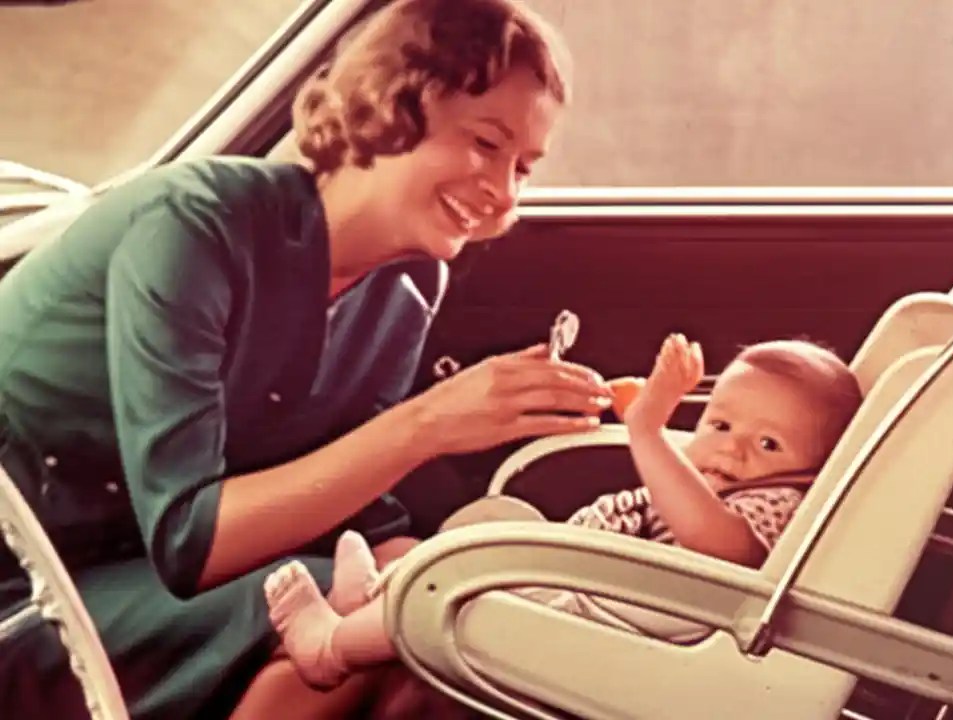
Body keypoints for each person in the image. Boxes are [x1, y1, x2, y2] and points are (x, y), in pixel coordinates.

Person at [0, 1, 604, 718]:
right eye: (484, 144)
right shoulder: (192, 225)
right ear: (392, 105)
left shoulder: (408, 281)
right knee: (354, 635)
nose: (503, 193)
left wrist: (452, 567)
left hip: (149, 577)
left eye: (525, 168)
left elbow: (344, 491)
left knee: (436, 631)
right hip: (35, 585)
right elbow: (191, 540)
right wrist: (433, 422)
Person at [261, 334, 864, 690]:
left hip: (630, 615)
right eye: (721, 424)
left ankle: (333, 648)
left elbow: (720, 548)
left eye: (768, 444)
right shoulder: (731, 478)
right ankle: (372, 599)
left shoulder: (780, 504)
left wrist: (649, 432)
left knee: (461, 583)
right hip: (600, 584)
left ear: (814, 467)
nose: (731, 449)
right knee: (491, 521)